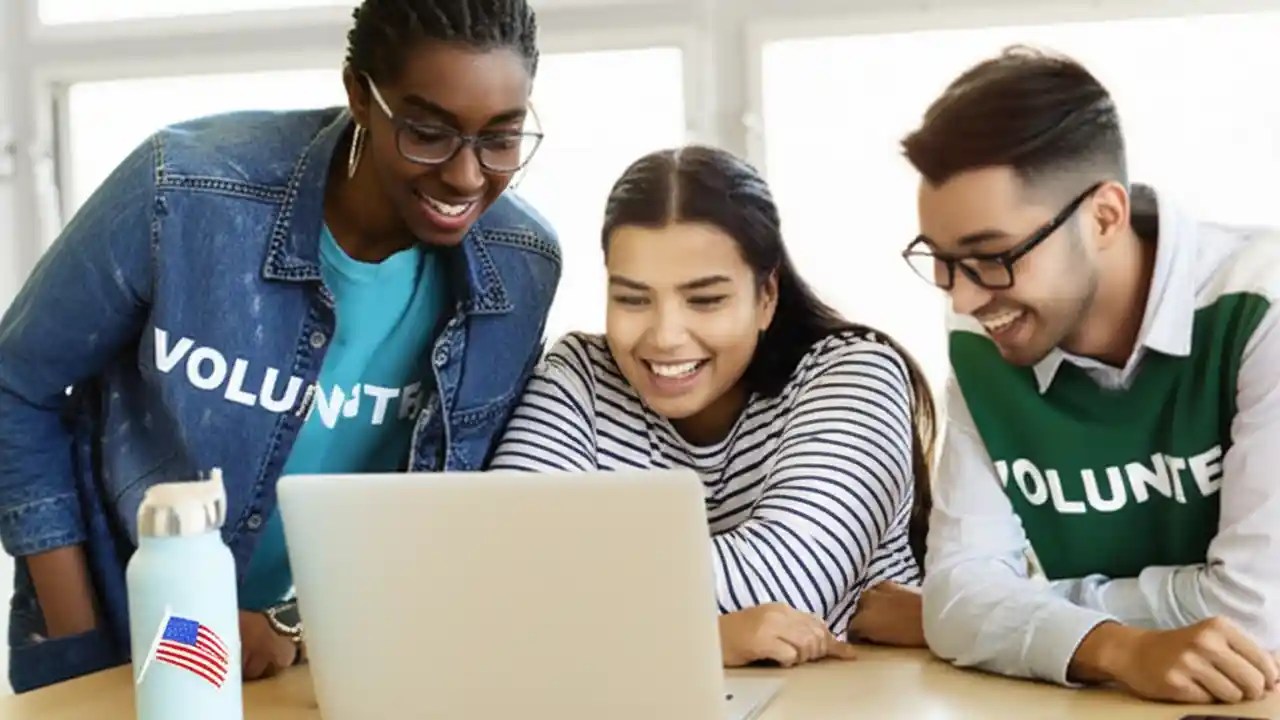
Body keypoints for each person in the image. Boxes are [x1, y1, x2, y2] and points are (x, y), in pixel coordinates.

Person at [0, 0, 560, 692]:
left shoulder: (521, 266)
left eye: (501, 140)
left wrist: (291, 624)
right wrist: (78, 639)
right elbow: (14, 386)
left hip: (338, 658)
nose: (468, 177)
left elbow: (455, 514)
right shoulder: (183, 191)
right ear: (360, 93)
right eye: (428, 133)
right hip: (127, 634)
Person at [903, 46, 1280, 705]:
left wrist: (1028, 610)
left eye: (991, 257)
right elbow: (958, 599)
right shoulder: (988, 334)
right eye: (938, 260)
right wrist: (1115, 646)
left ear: (1104, 216)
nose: (960, 299)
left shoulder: (1260, 307)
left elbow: (1256, 615)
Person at [490, 145, 936, 668]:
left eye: (705, 300)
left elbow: (788, 581)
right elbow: (504, 576)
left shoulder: (855, 373)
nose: (665, 336)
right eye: (633, 298)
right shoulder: (579, 375)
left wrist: (584, 609)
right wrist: (706, 638)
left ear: (766, 295)